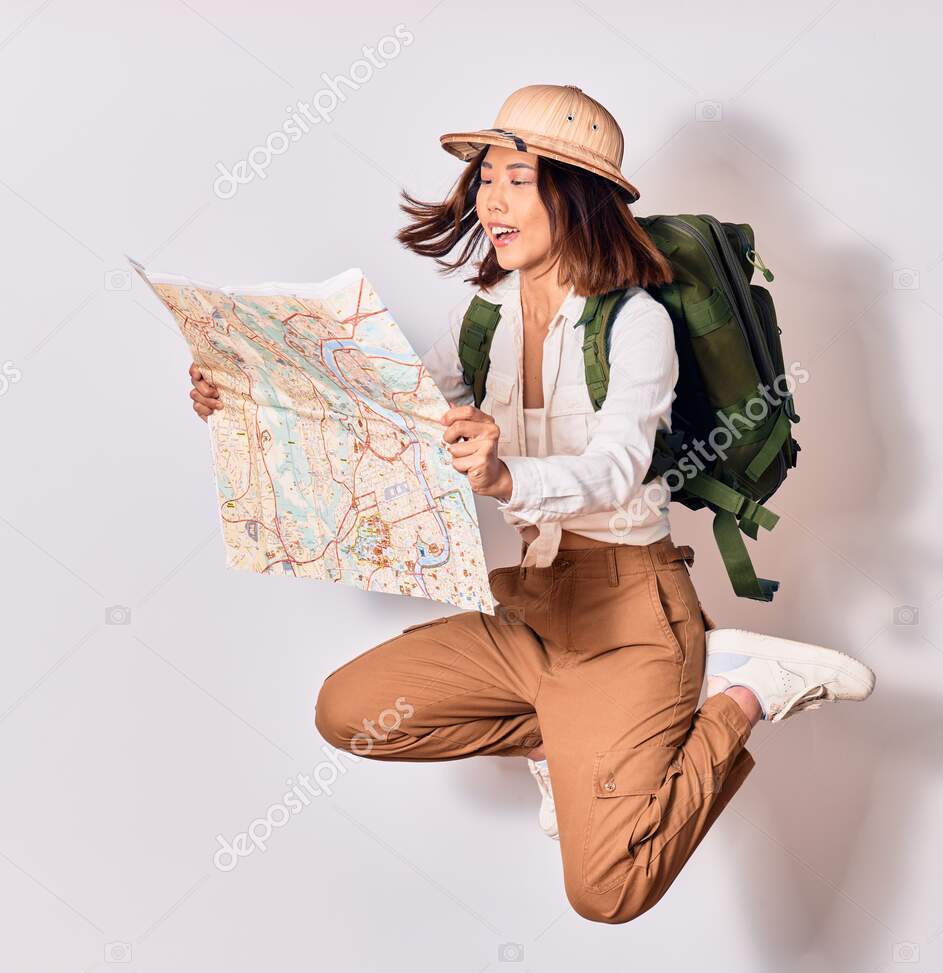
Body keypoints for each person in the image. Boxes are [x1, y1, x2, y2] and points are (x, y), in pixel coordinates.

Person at [188, 84, 874, 924]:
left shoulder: (637, 322)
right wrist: (247, 397)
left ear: (578, 196)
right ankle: (567, 731)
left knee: (606, 891)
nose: (492, 200)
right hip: (533, 608)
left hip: (629, 614)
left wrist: (507, 477)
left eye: (519, 179)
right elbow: (394, 415)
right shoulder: (485, 316)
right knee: (351, 715)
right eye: (485, 178)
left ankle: (739, 692)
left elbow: (620, 466)